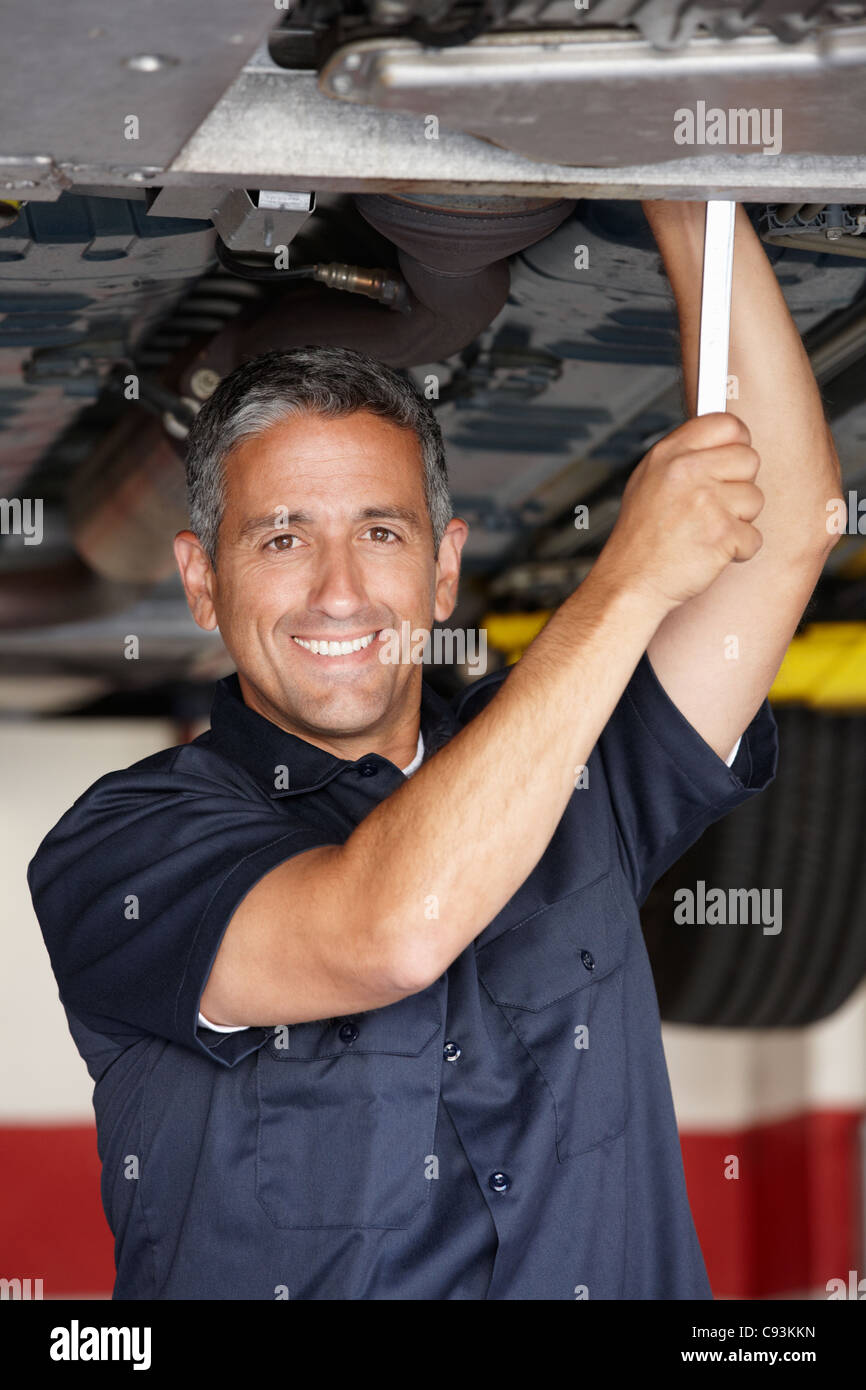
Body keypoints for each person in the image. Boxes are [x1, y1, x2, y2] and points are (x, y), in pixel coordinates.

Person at [28, 201, 840, 1300]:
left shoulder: (578, 766)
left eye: (380, 530)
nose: (339, 589)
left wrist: (690, 197)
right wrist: (623, 582)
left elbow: (781, 531)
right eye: (281, 537)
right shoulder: (120, 851)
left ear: (443, 569)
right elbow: (393, 930)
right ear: (199, 580)